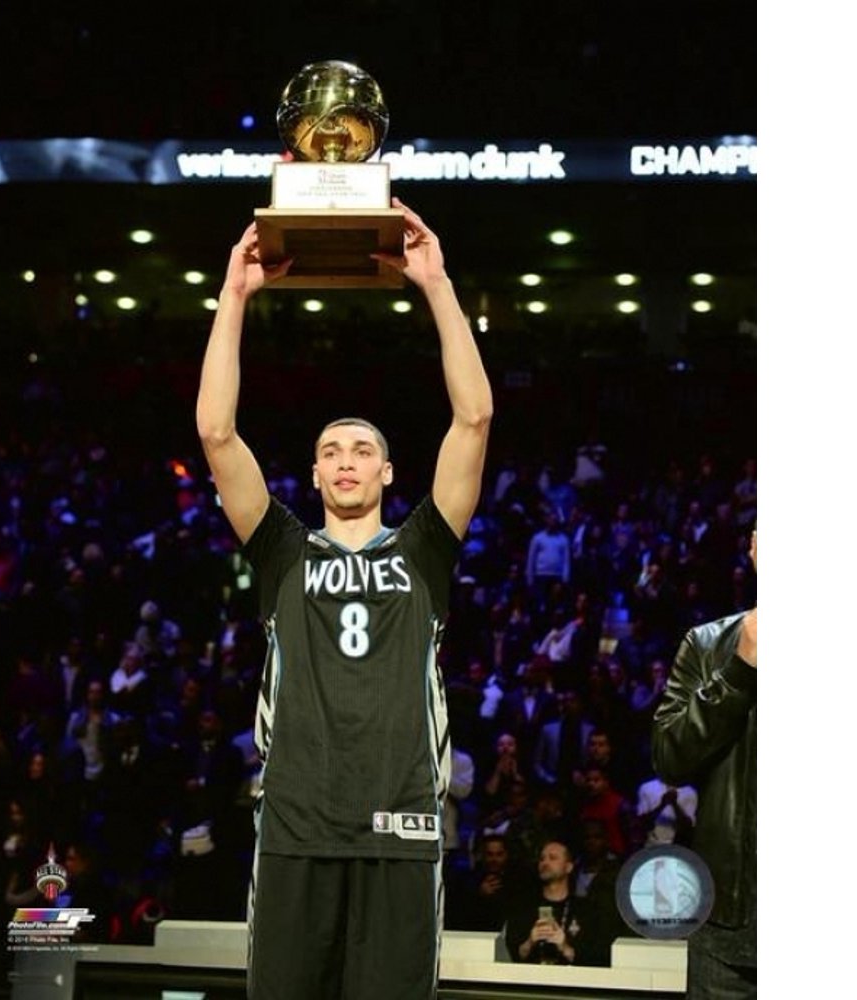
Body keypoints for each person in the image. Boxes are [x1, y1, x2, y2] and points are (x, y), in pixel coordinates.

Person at [195, 199, 493, 1000]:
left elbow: (474, 418)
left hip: (403, 823)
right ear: (316, 473)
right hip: (296, 823)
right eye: (332, 451)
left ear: (388, 471)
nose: (347, 460)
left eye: (363, 449)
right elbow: (217, 433)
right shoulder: (283, 549)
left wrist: (437, 285)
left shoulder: (424, 548)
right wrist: (234, 296)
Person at [652, 528, 756, 999]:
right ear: (755, 547)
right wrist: (737, 673)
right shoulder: (707, 643)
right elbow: (669, 759)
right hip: (725, 930)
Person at [504, 840, 603, 966]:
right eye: (542, 859)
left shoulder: (587, 910)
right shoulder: (523, 907)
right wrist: (530, 942)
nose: (545, 863)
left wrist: (565, 947)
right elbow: (513, 955)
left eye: (553, 858)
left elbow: (597, 958)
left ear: (568, 867)